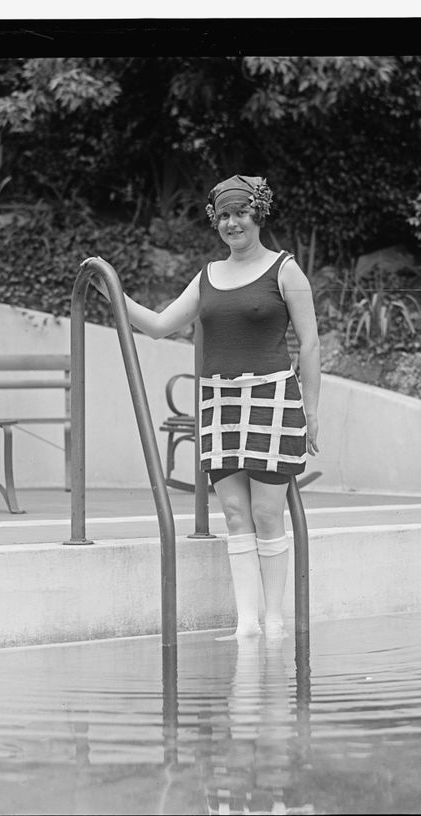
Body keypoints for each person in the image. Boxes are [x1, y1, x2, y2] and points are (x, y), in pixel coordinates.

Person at [97, 174, 321, 640]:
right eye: (223, 216)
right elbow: (160, 326)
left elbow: (312, 343)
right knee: (235, 514)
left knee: (266, 512)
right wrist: (115, 296)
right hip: (218, 401)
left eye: (240, 213)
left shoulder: (285, 269)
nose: (232, 223)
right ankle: (246, 625)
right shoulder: (208, 275)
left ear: (257, 214)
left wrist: (311, 411)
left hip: (272, 396)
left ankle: (275, 620)